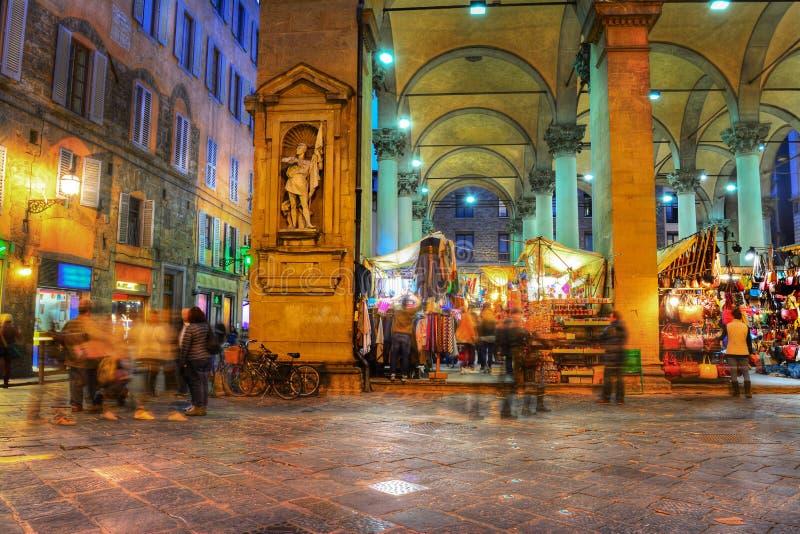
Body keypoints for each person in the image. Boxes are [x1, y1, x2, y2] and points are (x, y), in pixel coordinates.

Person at [60, 299, 115, 418]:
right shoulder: (92, 323)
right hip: (90, 360)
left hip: (74, 358)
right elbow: (100, 339)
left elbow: (62, 337)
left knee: (76, 382)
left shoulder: (70, 323)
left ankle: (76, 404)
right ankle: (93, 402)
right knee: (92, 382)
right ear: (90, 310)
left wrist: (69, 349)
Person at [179, 306, 213, 416]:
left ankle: (198, 406)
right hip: (207, 358)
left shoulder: (191, 328)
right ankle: (202, 406)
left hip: (194, 359)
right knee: (204, 383)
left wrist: (182, 361)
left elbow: (185, 346)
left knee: (196, 383)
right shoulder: (207, 326)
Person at [281, 139, 322, 229]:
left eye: (299, 148)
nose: (297, 149)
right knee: (293, 205)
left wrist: (318, 155)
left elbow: (318, 168)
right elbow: (283, 160)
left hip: (302, 184)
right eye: (297, 147)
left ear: (304, 150)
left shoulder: (308, 163)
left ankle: (308, 223)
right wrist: (294, 161)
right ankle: (294, 225)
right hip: (291, 183)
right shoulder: (293, 160)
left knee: (304, 205)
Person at [598, 309, 628, 405]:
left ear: (614, 317)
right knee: (619, 378)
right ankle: (620, 399)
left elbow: (601, 339)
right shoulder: (623, 327)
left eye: (609, 317)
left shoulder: (608, 329)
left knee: (607, 378)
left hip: (611, 356)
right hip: (620, 355)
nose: (608, 318)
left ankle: (606, 398)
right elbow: (624, 340)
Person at [721, 307, 752, 398]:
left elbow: (722, 337)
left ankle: (736, 392)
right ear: (740, 316)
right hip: (743, 352)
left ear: (732, 316)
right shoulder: (746, 327)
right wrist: (750, 353)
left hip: (731, 352)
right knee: (745, 372)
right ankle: (748, 393)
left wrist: (715, 339)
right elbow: (749, 341)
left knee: (733, 373)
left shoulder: (728, 326)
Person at [389, 295, 421, 382]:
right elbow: (419, 305)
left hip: (396, 334)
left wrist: (399, 296)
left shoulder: (397, 309)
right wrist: (416, 297)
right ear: (407, 303)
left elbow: (388, 303)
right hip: (406, 335)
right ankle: (404, 375)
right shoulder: (411, 311)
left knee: (394, 355)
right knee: (405, 356)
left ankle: (392, 374)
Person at [0, 313, 21, 388]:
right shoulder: (14, 328)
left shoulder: (1, 327)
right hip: (9, 348)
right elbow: (19, 338)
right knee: (7, 365)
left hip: (1, 348)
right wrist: (19, 331)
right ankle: (6, 383)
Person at [477, 306, 496, 373]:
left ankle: (485, 365)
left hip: (484, 338)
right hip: (492, 338)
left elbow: (480, 329)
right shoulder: (494, 321)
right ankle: (490, 366)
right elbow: (495, 330)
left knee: (484, 353)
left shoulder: (483, 321)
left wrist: (479, 337)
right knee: (490, 353)